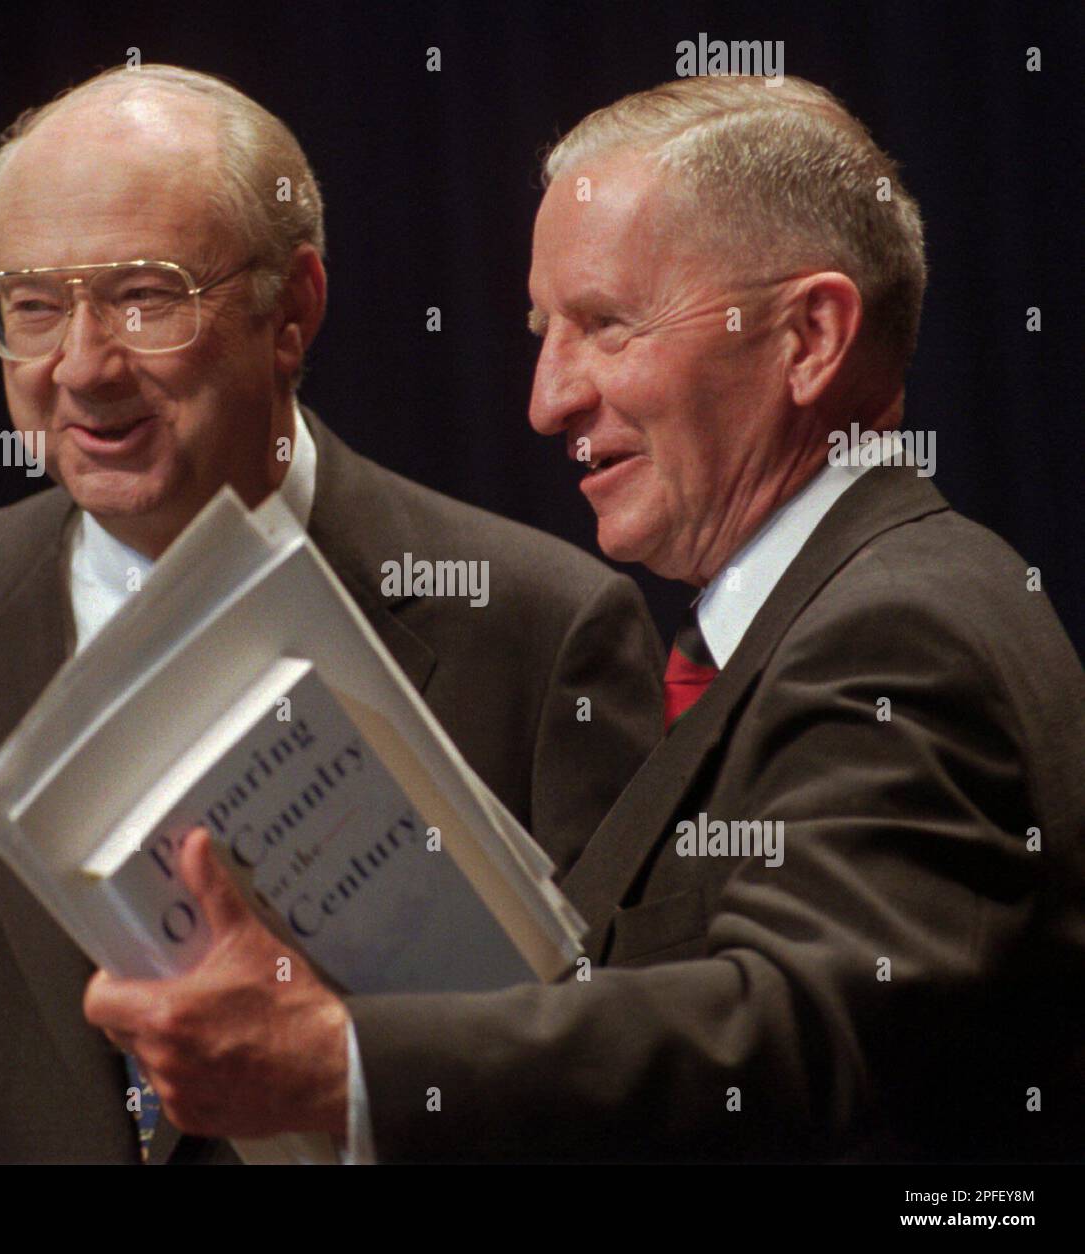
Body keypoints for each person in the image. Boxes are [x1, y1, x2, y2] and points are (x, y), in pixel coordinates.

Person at [85, 75, 1085, 1163]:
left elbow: (805, 1030)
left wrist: (350, 1062)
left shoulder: (896, 630)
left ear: (808, 336)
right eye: (541, 330)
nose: (546, 398)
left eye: (605, 326)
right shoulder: (825, 617)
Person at [0, 65, 663, 1164]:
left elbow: (623, 1083)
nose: (81, 366)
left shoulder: (541, 628)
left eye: (144, 296)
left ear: (291, 308)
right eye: (31, 306)